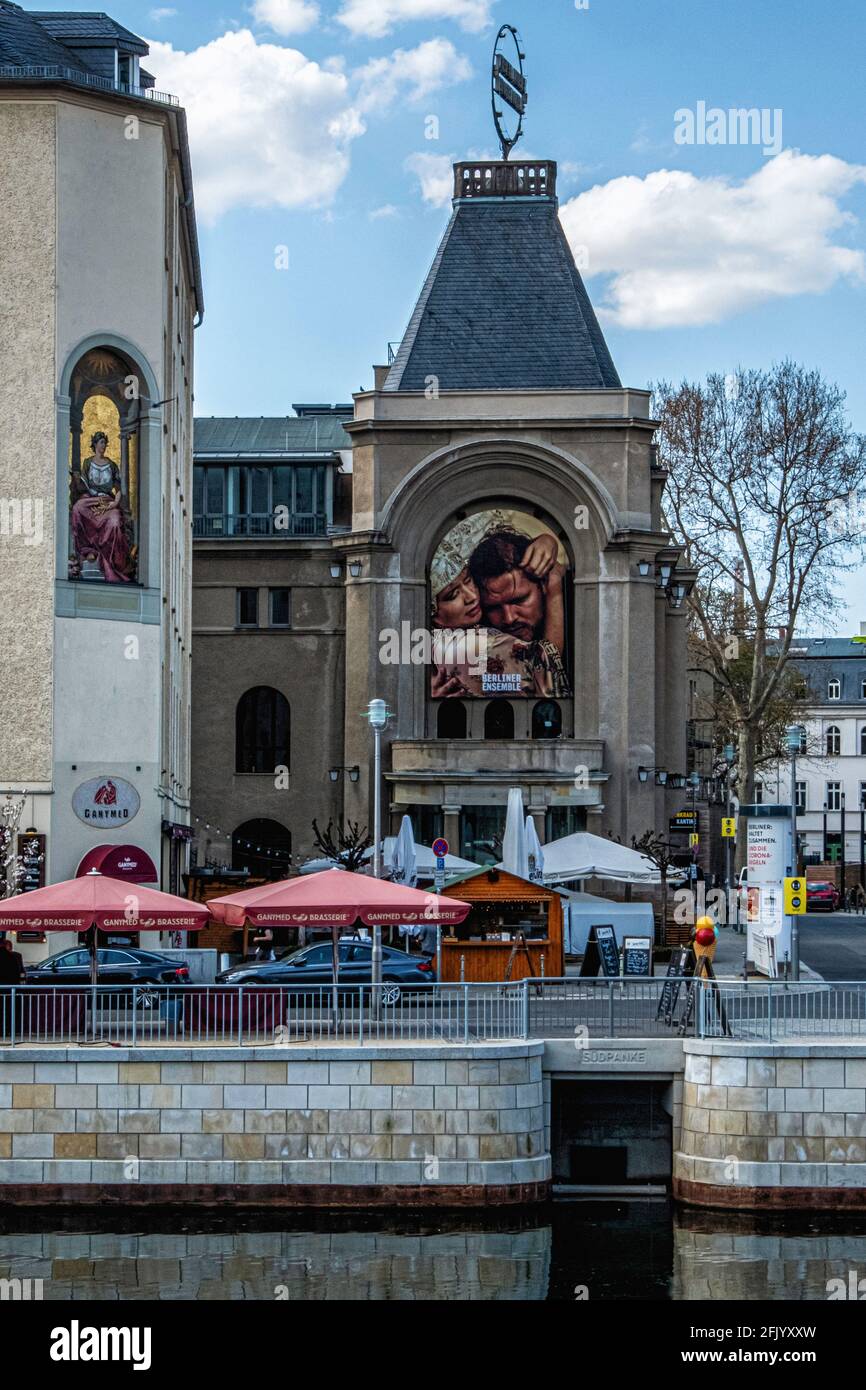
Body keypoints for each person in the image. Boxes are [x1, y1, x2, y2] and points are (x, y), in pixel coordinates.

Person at [70, 430, 136, 583]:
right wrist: (76, 480)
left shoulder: (112, 465)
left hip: (107, 500)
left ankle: (114, 561)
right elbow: (82, 487)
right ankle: (88, 551)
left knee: (114, 521)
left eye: (105, 443)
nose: (103, 446)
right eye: (101, 443)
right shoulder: (87, 462)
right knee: (77, 509)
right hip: (90, 499)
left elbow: (119, 490)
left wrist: (114, 503)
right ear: (95, 445)